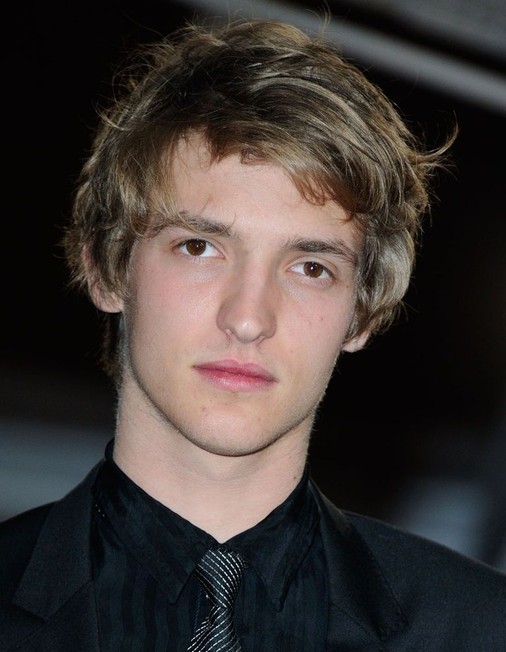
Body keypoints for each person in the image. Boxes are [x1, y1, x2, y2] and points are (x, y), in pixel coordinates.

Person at [1, 16, 505, 651]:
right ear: (106, 269)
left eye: (311, 267)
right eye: (199, 247)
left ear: (363, 314)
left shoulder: (482, 630)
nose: (248, 319)